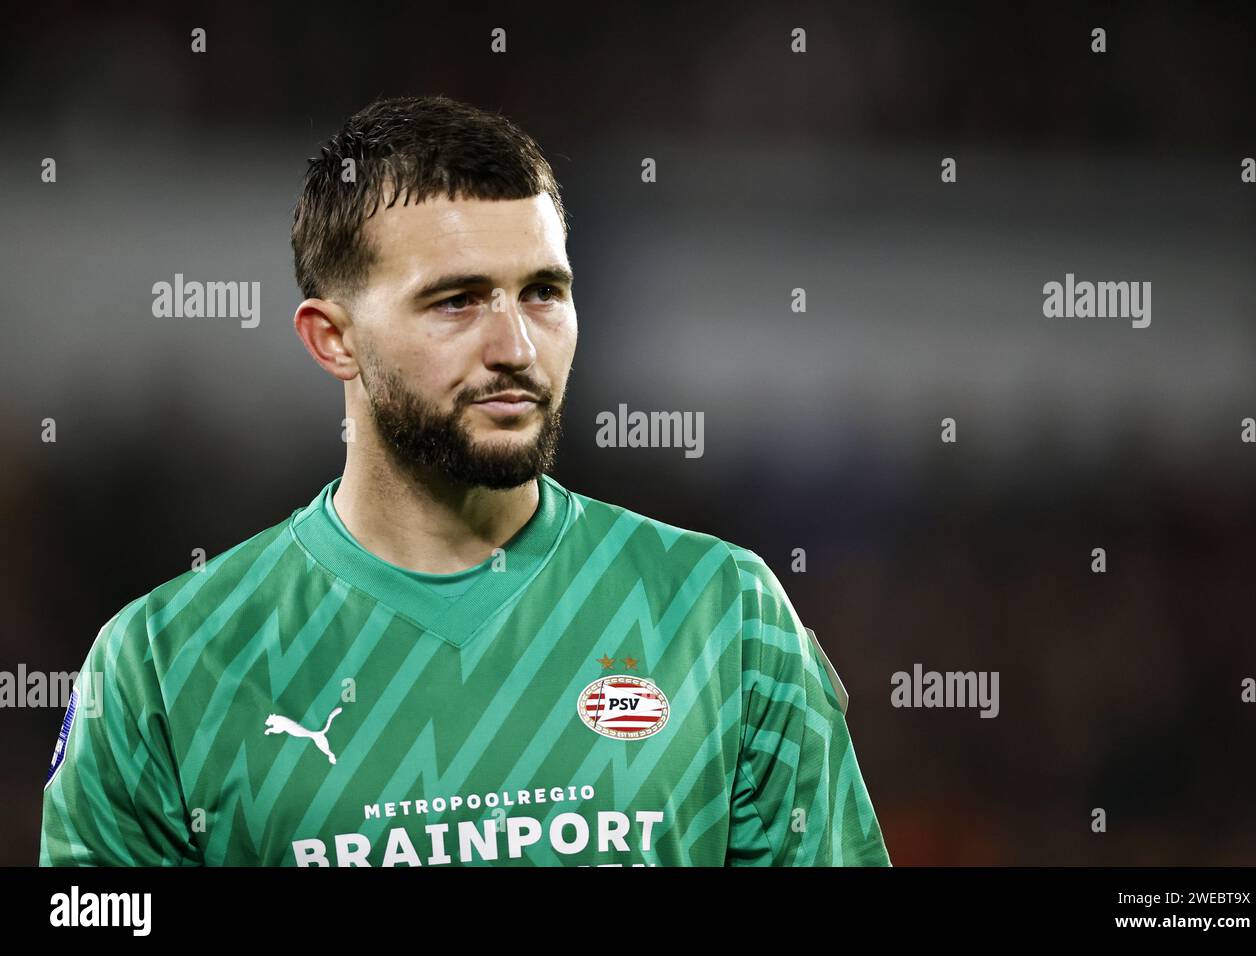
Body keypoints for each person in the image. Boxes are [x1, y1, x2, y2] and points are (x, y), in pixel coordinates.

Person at [40, 95, 890, 867]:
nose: (515, 347)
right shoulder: (161, 666)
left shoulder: (722, 613)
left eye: (543, 293)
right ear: (332, 339)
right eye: (456, 301)